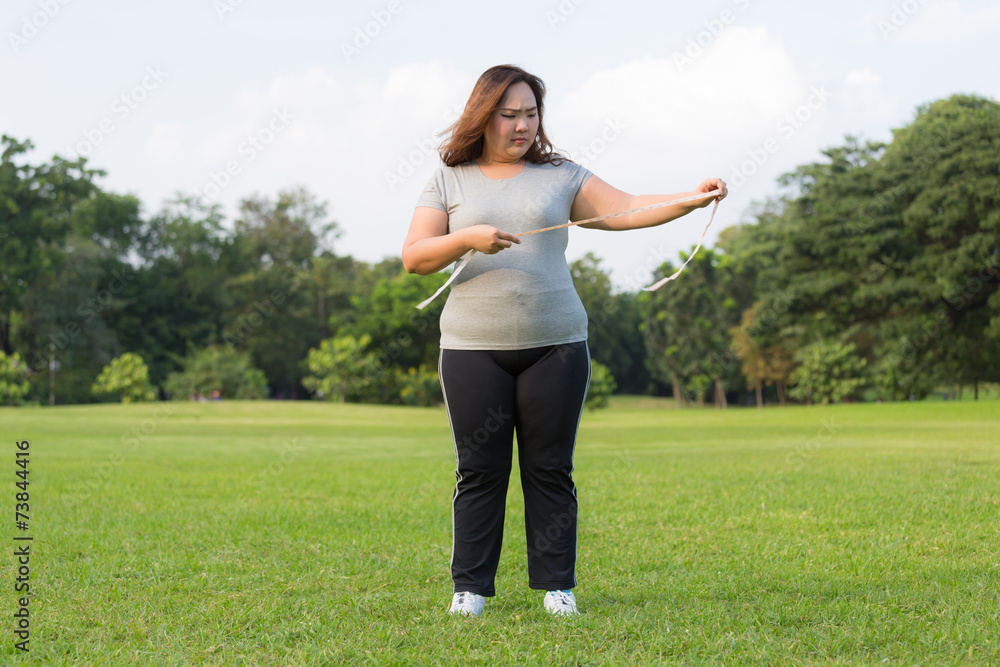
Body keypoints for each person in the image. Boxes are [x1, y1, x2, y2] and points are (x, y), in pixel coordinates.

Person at [401, 64, 727, 617]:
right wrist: (467, 239)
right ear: (483, 117)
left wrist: (688, 199)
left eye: (530, 113)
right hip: (470, 348)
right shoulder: (449, 177)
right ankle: (470, 590)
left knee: (549, 467)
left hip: (556, 346)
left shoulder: (562, 175)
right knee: (479, 470)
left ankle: (558, 587)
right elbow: (414, 257)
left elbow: (627, 209)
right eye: (509, 115)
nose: (522, 125)